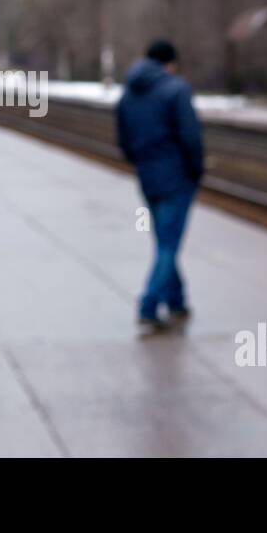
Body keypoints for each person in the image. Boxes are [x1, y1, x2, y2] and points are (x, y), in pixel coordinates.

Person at [115, 39, 204, 336]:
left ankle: (176, 301)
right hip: (177, 178)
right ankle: (148, 306)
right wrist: (196, 169)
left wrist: (140, 162)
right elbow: (190, 136)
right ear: (170, 63)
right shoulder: (176, 89)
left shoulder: (129, 92)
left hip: (148, 177)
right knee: (169, 245)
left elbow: (124, 141)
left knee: (164, 241)